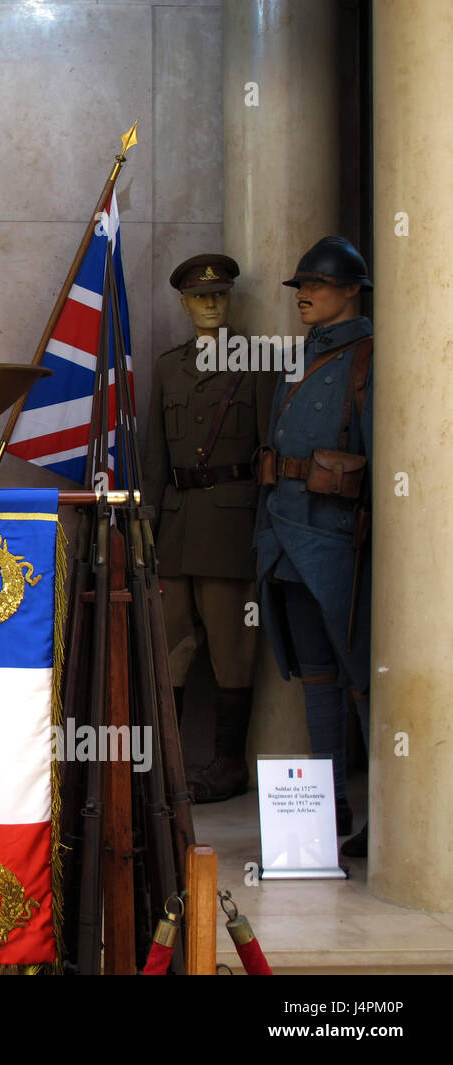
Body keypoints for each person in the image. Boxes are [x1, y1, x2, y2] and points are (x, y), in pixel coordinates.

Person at [254, 236, 373, 857]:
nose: (303, 297)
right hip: (285, 534)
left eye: (316, 286)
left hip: (336, 541)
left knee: (361, 678)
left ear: (351, 290)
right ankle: (330, 810)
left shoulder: (368, 357)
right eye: (300, 287)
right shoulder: (300, 357)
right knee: (319, 678)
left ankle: (389, 819)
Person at [145, 254, 275, 803]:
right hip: (176, 528)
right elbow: (155, 456)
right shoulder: (169, 367)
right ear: (183, 303)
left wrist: (267, 533)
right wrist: (147, 528)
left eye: (220, 295)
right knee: (171, 643)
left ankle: (227, 765)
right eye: (201, 297)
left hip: (229, 529)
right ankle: (167, 767)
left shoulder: (259, 366)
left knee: (230, 647)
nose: (211, 303)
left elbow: (269, 454)